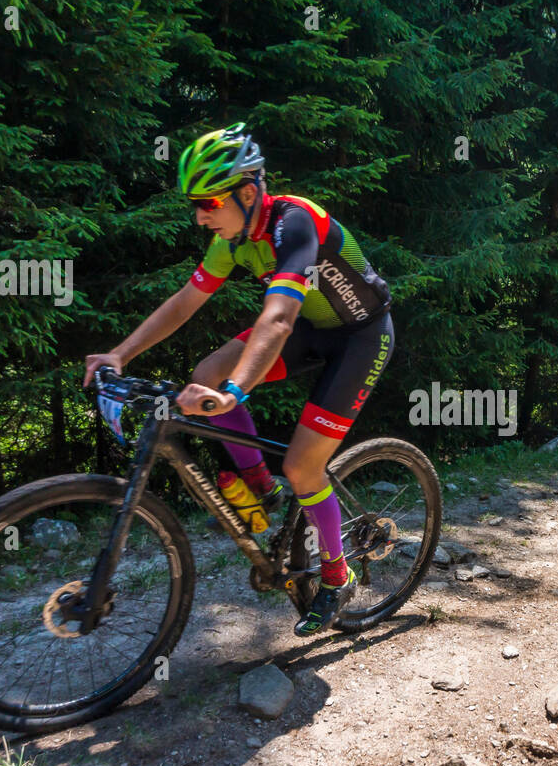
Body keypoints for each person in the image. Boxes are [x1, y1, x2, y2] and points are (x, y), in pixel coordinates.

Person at [84, 123, 394, 636]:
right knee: (204, 371)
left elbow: (277, 319)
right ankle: (261, 490)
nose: (200, 216)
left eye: (208, 202)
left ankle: (336, 579)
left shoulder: (294, 224)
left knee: (302, 466)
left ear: (248, 193)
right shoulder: (233, 238)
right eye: (196, 205)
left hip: (359, 334)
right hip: (312, 326)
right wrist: (119, 354)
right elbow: (186, 301)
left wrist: (234, 393)